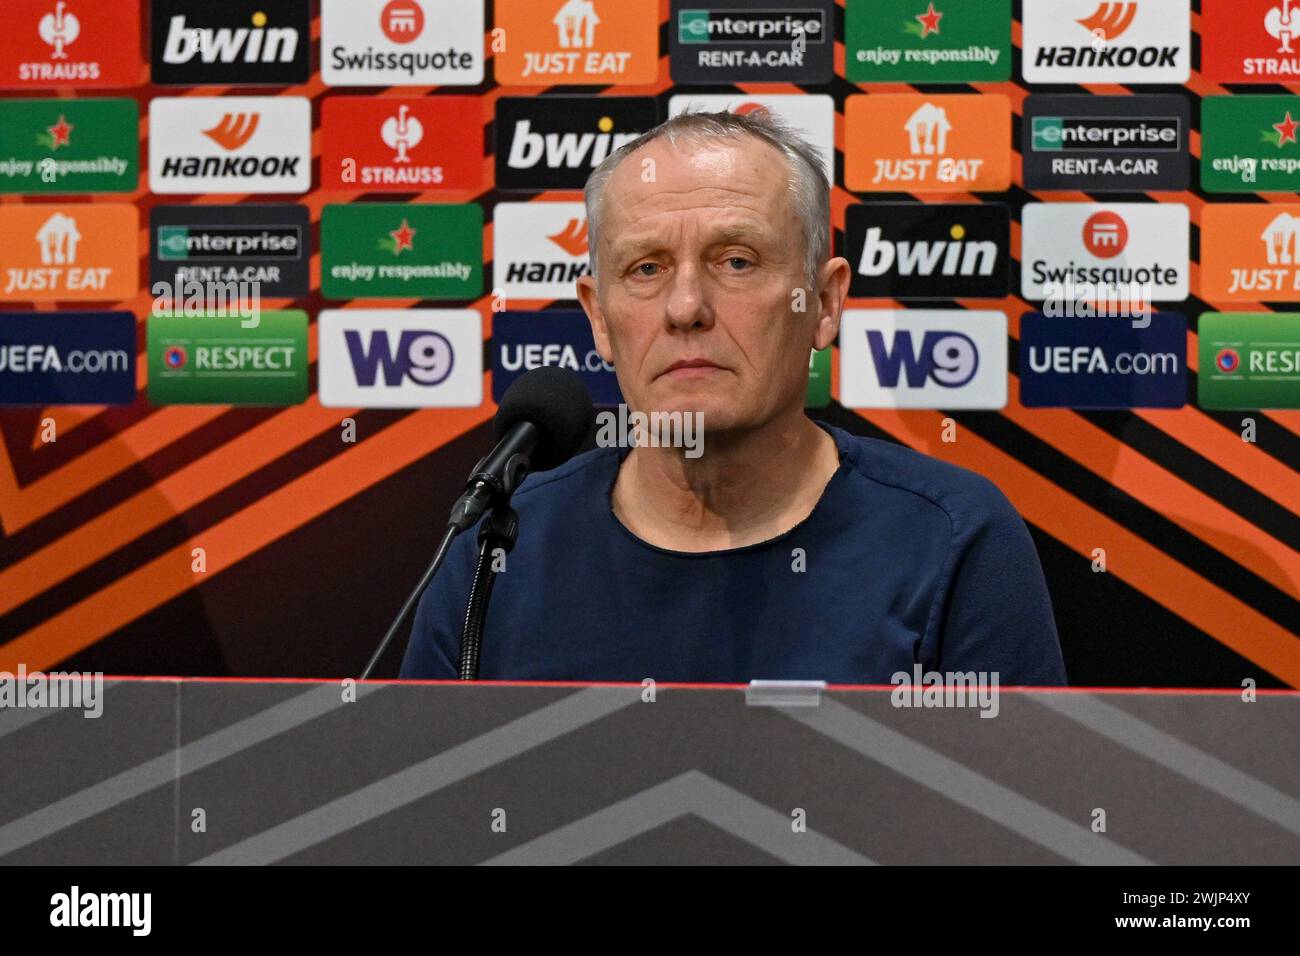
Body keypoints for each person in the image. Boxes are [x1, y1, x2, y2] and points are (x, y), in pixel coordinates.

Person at [399, 110, 1067, 685]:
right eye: (647, 269)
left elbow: (1013, 822)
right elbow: (422, 822)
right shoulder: (496, 550)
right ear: (598, 317)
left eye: (737, 261)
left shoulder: (954, 541)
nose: (686, 307)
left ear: (824, 304)